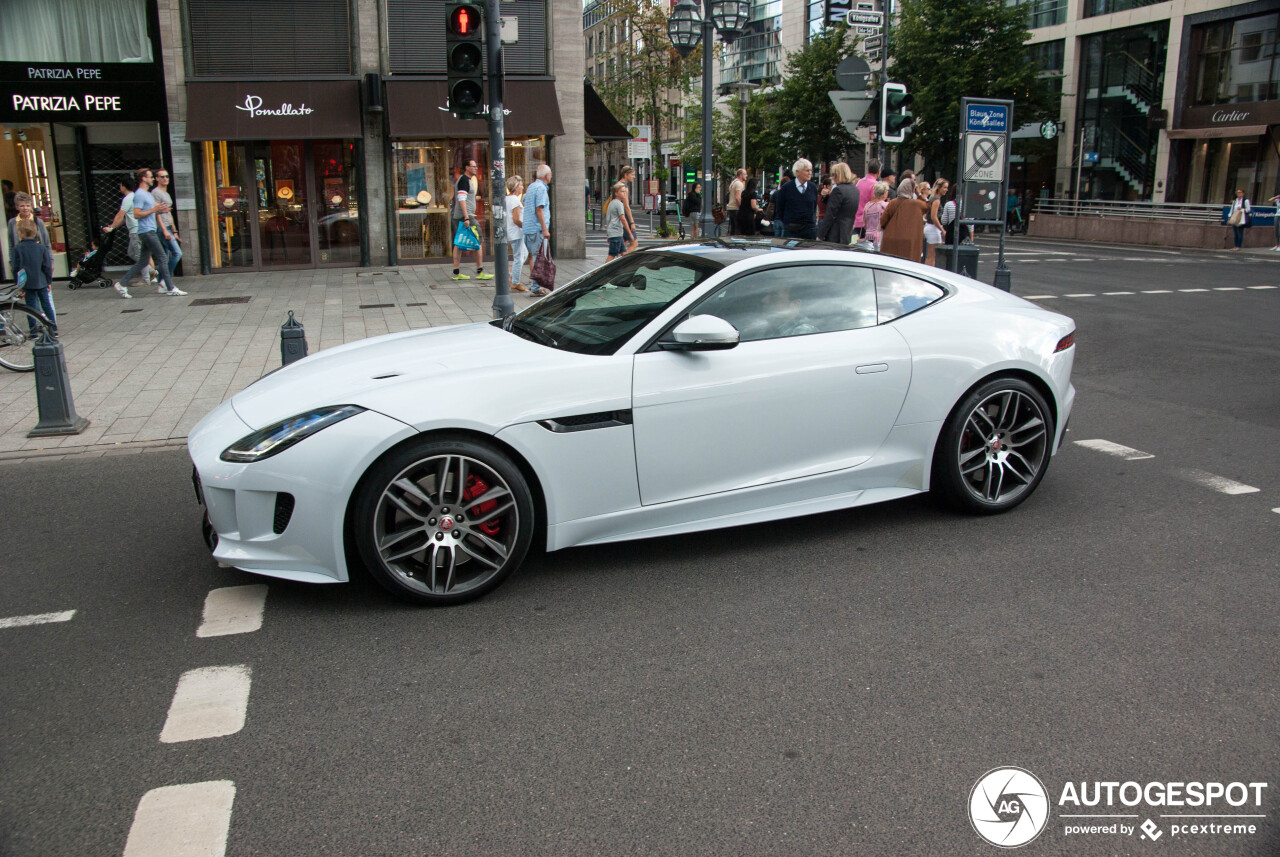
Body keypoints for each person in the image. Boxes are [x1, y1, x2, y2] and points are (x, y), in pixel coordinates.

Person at [117, 167, 185, 296]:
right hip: (146, 231)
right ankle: (169, 287)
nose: (152, 179)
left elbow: (152, 211)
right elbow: (136, 214)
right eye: (150, 177)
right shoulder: (139, 194)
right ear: (143, 178)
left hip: (149, 230)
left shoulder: (147, 194)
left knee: (143, 261)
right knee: (163, 257)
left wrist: (160, 210)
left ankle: (122, 284)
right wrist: (154, 210)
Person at [104, 176, 153, 295]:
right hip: (135, 231)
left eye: (120, 184)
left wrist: (110, 227)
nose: (119, 187)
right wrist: (113, 226)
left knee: (139, 255)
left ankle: (146, 279)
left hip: (136, 231)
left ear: (124, 186)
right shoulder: (134, 197)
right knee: (131, 253)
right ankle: (151, 271)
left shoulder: (128, 198)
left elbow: (120, 215)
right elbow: (124, 218)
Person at [9, 218, 56, 338]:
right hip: (41, 280)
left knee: (30, 307)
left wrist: (18, 283)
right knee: (46, 304)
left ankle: (34, 331)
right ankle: (53, 328)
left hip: (27, 282)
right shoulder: (41, 248)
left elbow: (16, 267)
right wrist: (48, 280)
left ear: (20, 233)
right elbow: (46, 266)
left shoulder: (18, 249)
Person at [451, 158, 491, 280]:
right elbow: (461, 199)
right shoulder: (464, 180)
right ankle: (480, 271)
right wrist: (467, 217)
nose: (476, 168)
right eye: (473, 166)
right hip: (465, 216)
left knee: (459, 243)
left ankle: (456, 272)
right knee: (478, 239)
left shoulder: (465, 180)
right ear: (467, 167)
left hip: (462, 216)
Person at [878, 178, 929, 263]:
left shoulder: (893, 203)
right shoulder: (916, 204)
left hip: (891, 242)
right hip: (909, 243)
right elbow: (927, 206)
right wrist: (919, 193)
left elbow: (883, 221)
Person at [522, 163, 553, 296]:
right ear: (547, 176)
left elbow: (525, 200)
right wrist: (545, 229)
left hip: (529, 227)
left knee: (535, 256)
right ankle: (535, 287)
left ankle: (536, 284)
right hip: (537, 228)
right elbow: (539, 209)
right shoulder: (541, 188)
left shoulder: (531, 186)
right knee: (538, 257)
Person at [774, 159, 819, 240]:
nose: (810, 173)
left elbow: (814, 206)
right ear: (797, 172)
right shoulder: (786, 188)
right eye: (807, 170)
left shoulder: (813, 187)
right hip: (791, 229)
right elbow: (779, 208)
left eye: (811, 170)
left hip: (809, 229)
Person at [151, 166, 182, 281]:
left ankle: (161, 281)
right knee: (177, 253)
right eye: (162, 177)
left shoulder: (166, 194)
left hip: (167, 227)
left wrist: (174, 231)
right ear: (157, 178)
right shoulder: (156, 193)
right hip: (162, 228)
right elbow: (156, 212)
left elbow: (169, 213)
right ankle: (164, 280)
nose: (165, 179)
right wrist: (164, 229)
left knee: (164, 258)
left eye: (167, 176)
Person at [817, 162, 858, 245]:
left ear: (837, 175)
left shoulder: (838, 190)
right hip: (847, 231)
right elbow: (844, 206)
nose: (832, 177)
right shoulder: (855, 189)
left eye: (833, 175)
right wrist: (827, 198)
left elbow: (830, 214)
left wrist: (820, 235)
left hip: (835, 233)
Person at [504, 175, 527, 292]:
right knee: (519, 257)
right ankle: (515, 282)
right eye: (521, 185)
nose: (522, 187)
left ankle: (513, 275)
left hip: (512, 231)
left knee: (523, 254)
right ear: (516, 186)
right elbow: (516, 219)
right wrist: (525, 227)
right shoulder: (514, 200)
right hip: (517, 232)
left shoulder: (507, 199)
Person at [923, 178, 951, 267]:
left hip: (930, 227)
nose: (946, 190)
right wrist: (942, 230)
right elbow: (933, 217)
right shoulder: (936, 200)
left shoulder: (933, 198)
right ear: (939, 188)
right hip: (932, 228)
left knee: (931, 256)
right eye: (944, 187)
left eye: (947, 188)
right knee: (932, 256)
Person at [853, 159, 880, 239]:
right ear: (879, 172)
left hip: (856, 222)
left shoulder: (859, 182)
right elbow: (874, 206)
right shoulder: (875, 185)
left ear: (868, 169)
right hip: (868, 224)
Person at [862, 181, 890, 251]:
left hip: (868, 237)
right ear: (884, 193)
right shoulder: (885, 206)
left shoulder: (867, 206)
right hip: (880, 238)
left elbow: (865, 224)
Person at [605, 181, 629, 261]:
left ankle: (625, 270)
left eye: (625, 191)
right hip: (616, 233)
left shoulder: (612, 203)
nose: (624, 193)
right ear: (616, 193)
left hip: (616, 233)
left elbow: (608, 220)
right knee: (612, 255)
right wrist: (629, 233)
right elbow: (623, 218)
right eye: (622, 191)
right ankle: (603, 271)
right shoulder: (619, 204)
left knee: (624, 253)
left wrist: (608, 234)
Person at [618, 166, 639, 252]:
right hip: (624, 217)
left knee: (623, 243)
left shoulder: (618, 184)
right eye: (632, 174)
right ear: (626, 175)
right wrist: (632, 222)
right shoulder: (624, 187)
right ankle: (623, 262)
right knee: (634, 243)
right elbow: (626, 206)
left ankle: (620, 261)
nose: (634, 176)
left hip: (618, 216)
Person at [726, 168, 747, 235]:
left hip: (731, 208)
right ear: (740, 175)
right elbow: (738, 197)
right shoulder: (739, 184)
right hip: (736, 208)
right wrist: (741, 207)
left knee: (733, 228)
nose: (746, 175)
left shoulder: (733, 182)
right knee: (737, 229)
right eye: (745, 174)